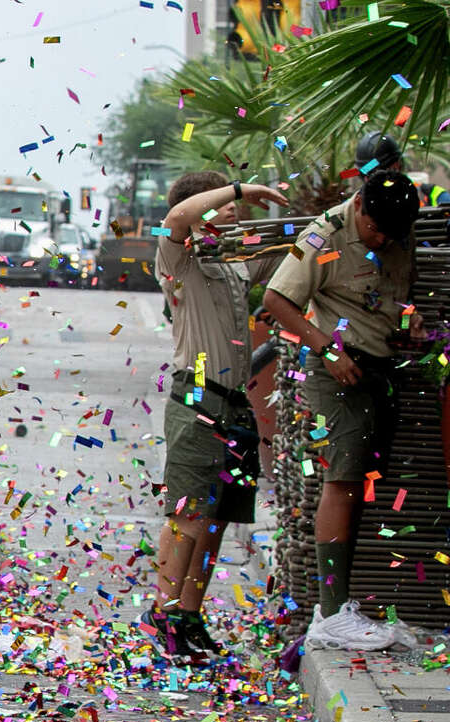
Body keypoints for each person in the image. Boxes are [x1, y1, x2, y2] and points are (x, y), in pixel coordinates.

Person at [263, 171, 421, 650]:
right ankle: (331, 615)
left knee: (366, 487)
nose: (383, 240)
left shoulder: (398, 228)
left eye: (391, 234)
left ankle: (345, 607)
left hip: (382, 366)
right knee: (343, 481)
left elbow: (402, 293)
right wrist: (329, 352)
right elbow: (276, 300)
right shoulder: (324, 235)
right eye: (375, 230)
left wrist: (410, 326)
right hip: (338, 370)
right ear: (358, 208)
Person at [138, 171, 288, 661]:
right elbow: (178, 217)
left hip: (234, 401)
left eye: (233, 203)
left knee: (219, 519)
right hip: (197, 398)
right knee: (187, 514)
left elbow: (290, 254)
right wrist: (245, 189)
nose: (232, 209)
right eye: (221, 202)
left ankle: (189, 613)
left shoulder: (231, 263)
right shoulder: (177, 256)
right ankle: (163, 612)